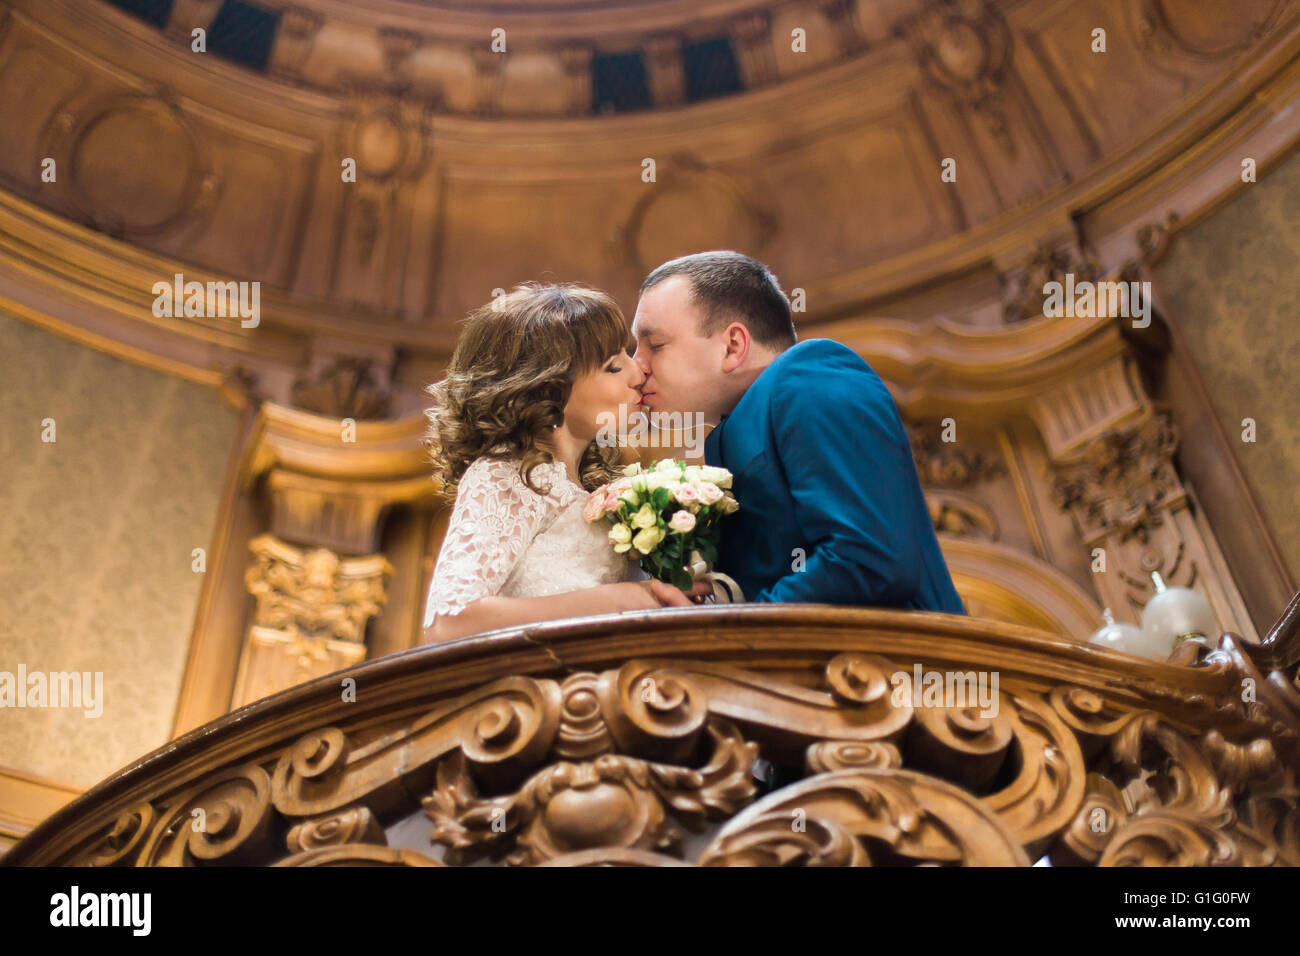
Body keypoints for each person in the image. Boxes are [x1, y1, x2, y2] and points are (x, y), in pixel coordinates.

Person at [631, 250, 965, 613]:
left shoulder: (808, 375)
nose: (636, 368)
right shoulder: (731, 429)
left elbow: (869, 557)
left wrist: (736, 628)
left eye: (656, 345)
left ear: (732, 346)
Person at [420, 283, 705, 645]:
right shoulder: (507, 474)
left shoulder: (593, 492)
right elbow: (448, 622)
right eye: (614, 366)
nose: (638, 374)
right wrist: (619, 600)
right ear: (550, 389)